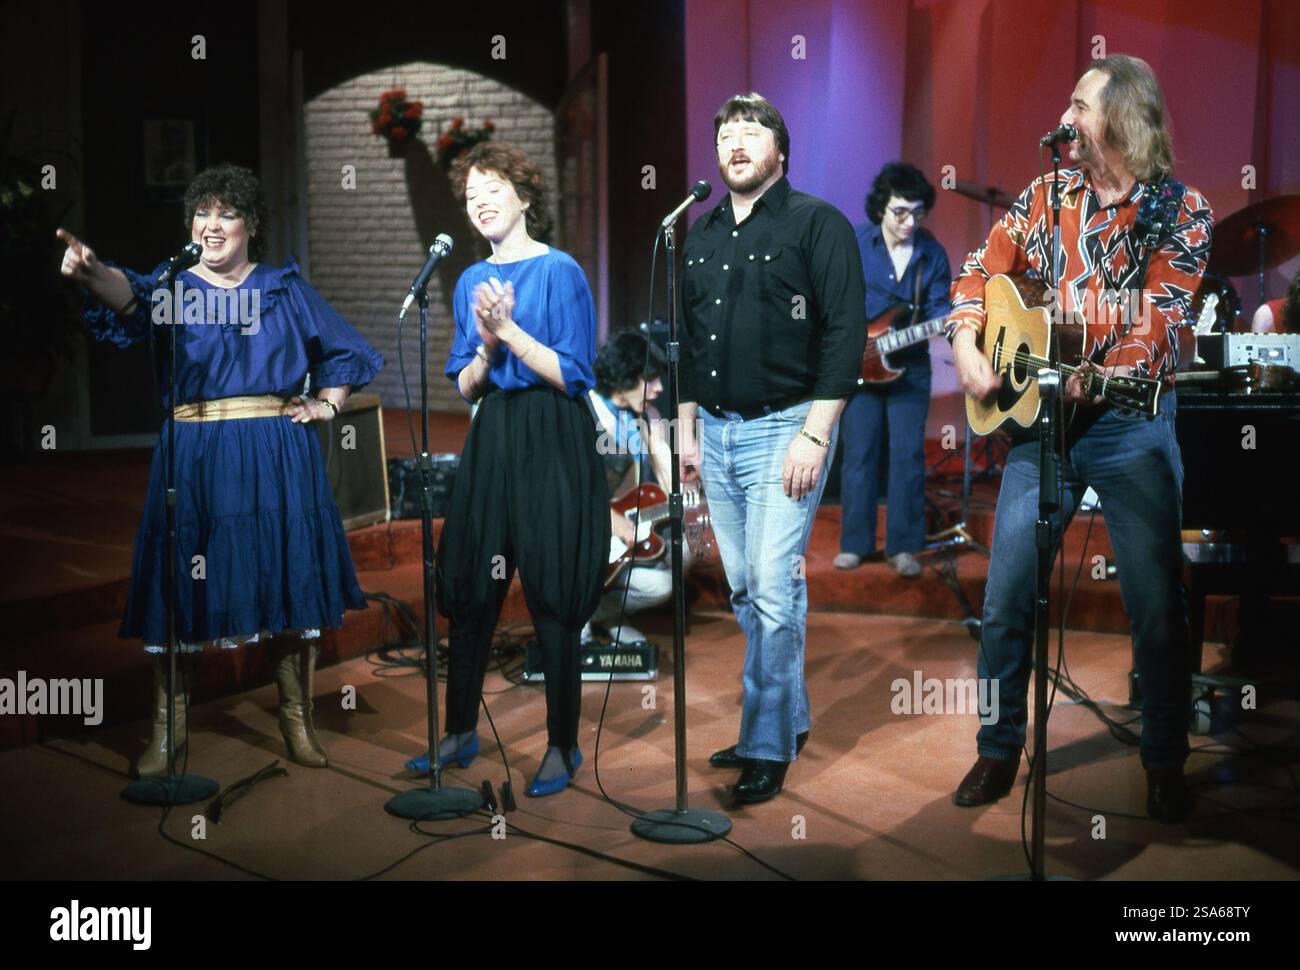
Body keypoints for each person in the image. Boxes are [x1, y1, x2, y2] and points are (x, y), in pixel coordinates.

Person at [947, 55, 1213, 821]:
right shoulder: (1046, 195)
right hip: (1043, 425)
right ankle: (998, 752)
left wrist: (1100, 376)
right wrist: (969, 350)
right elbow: (976, 272)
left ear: (1124, 117)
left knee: (1157, 605)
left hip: (1129, 423)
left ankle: (1164, 757)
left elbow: (1159, 325)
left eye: (1080, 104)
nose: (1064, 116)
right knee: (1003, 600)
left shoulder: (1180, 209)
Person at [57, 164, 384, 776]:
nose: (210, 225)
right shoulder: (175, 287)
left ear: (251, 224)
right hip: (196, 451)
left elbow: (344, 350)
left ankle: (296, 721)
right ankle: (168, 729)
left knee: (285, 578)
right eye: (201, 213)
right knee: (184, 585)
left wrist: (326, 404)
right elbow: (128, 297)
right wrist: (91, 271)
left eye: (225, 213)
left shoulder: (284, 289)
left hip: (275, 449)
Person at [678, 93, 867, 805]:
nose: (735, 141)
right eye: (725, 132)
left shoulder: (817, 223)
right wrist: (687, 430)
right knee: (747, 589)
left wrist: (815, 435)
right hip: (717, 433)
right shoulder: (696, 233)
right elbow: (688, 341)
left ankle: (764, 745)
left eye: (751, 131)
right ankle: (785, 720)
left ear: (779, 152)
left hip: (788, 427)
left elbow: (846, 336)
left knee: (773, 587)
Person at [407, 142, 608, 798]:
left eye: (494, 188)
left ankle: (562, 744)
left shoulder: (562, 272)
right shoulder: (469, 281)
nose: (482, 201)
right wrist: (488, 344)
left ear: (525, 198)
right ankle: (460, 729)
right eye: (471, 196)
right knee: (471, 584)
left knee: (552, 587)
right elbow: (466, 386)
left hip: (553, 432)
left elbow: (573, 375)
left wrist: (513, 332)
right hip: (493, 434)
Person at [835, 162, 951, 578]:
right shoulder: (854, 241)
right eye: (900, 212)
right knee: (860, 456)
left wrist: (953, 322)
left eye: (917, 213)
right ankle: (855, 543)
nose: (909, 222)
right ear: (881, 207)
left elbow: (941, 311)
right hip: (859, 364)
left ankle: (904, 546)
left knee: (907, 456)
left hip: (911, 367)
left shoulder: (931, 254)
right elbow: (834, 301)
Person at [585, 330, 692, 648]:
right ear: (623, 377)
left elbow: (663, 465)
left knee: (683, 548)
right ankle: (581, 615)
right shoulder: (582, 410)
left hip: (624, 521)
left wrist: (685, 493)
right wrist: (607, 518)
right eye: (651, 379)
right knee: (659, 586)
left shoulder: (643, 415)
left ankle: (605, 614)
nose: (659, 389)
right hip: (582, 525)